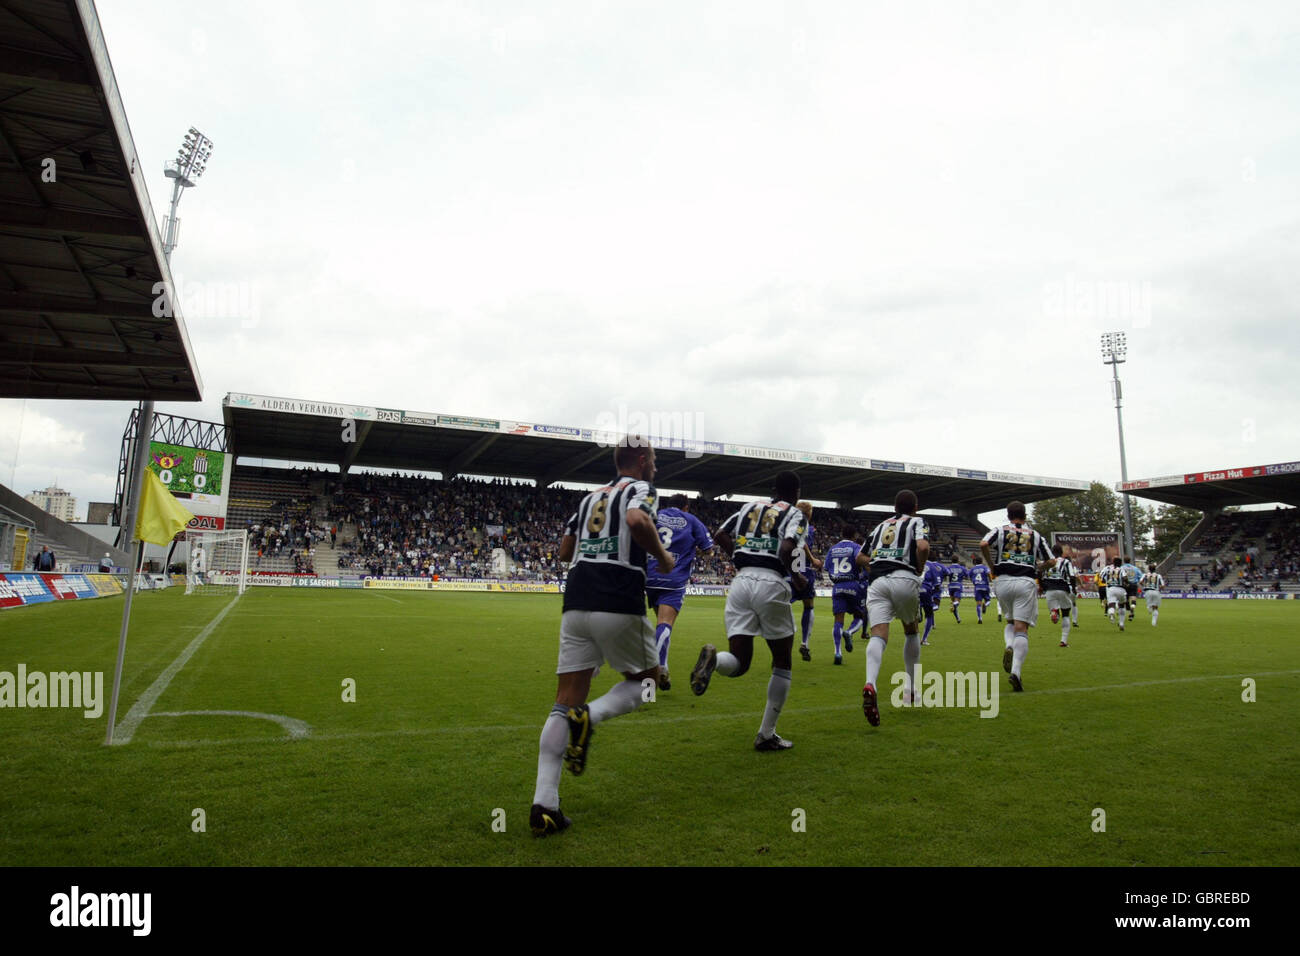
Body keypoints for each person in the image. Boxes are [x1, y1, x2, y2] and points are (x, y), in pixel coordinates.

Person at [530, 436, 675, 838]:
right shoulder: (641, 489)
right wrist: (662, 557)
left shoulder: (588, 497)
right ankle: (589, 717)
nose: (657, 469)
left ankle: (545, 805)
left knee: (563, 700)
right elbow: (636, 521)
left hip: (576, 599)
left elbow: (564, 550)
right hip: (618, 593)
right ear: (642, 460)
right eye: (655, 461)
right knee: (648, 684)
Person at [690, 471, 807, 752]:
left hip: (740, 583)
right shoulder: (795, 514)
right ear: (797, 492)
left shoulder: (748, 507)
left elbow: (719, 533)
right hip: (771, 581)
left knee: (740, 663)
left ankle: (715, 661)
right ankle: (766, 734)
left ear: (773, 489)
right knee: (782, 662)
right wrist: (799, 578)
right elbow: (788, 547)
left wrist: (736, 555)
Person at [858, 489, 930, 726]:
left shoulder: (880, 526)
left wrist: (878, 566)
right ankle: (910, 690)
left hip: (877, 582)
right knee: (911, 629)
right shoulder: (917, 521)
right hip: (904, 578)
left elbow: (861, 557)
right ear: (915, 507)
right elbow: (922, 547)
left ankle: (871, 682)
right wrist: (919, 568)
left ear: (895, 506)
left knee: (878, 634)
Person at [980, 501, 1055, 692]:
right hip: (1025, 581)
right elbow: (1052, 561)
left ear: (1008, 515)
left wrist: (991, 565)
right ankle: (1016, 672)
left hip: (1003, 580)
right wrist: (1038, 567)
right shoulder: (1035, 535)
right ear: (1025, 515)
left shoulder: (999, 530)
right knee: (1022, 629)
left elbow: (983, 544)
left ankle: (1009, 645)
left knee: (1010, 622)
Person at [644, 494, 714, 690]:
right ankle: (655, 670)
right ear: (685, 507)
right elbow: (708, 550)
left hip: (649, 576)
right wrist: (694, 551)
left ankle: (664, 667)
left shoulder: (654, 515)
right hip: (673, 578)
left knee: (661, 626)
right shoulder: (691, 520)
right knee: (665, 624)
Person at [822, 532, 868, 664]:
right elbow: (860, 560)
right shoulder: (855, 547)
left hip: (837, 586)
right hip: (853, 584)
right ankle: (849, 632)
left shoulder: (832, 549)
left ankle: (838, 653)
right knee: (860, 616)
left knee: (838, 620)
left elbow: (826, 567)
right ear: (853, 535)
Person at [792, 502, 823, 662]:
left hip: (789, 571)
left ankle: (789, 631)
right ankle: (804, 642)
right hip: (803, 571)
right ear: (809, 513)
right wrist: (813, 559)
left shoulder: (787, 524)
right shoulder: (805, 526)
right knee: (809, 605)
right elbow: (802, 541)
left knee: (783, 603)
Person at [1041, 544, 1077, 647]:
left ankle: (1054, 611)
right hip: (1062, 588)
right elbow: (1072, 576)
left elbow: (1040, 572)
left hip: (1049, 588)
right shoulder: (1066, 562)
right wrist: (1073, 588)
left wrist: (1041, 586)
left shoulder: (1048, 561)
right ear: (1061, 552)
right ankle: (1063, 641)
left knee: (1054, 609)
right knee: (1065, 614)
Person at [919, 557, 945, 646]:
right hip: (926, 589)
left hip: (913, 588)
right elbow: (937, 585)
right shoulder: (932, 566)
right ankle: (924, 639)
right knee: (929, 615)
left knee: (913, 617)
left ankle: (918, 610)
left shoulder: (912, 561)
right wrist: (932, 593)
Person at [968, 556, 992, 624]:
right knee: (988, 601)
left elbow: (969, 576)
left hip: (977, 587)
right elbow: (989, 573)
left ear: (975, 562)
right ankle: (985, 605)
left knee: (978, 604)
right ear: (981, 561)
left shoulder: (972, 569)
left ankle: (980, 618)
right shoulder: (985, 567)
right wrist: (990, 580)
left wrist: (973, 581)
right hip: (985, 586)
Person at [945, 559, 967, 623]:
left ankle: (958, 619)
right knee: (956, 603)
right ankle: (953, 604)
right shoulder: (962, 568)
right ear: (958, 561)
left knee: (954, 605)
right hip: (958, 585)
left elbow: (945, 574)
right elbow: (967, 575)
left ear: (952, 561)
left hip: (951, 585)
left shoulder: (948, 568)